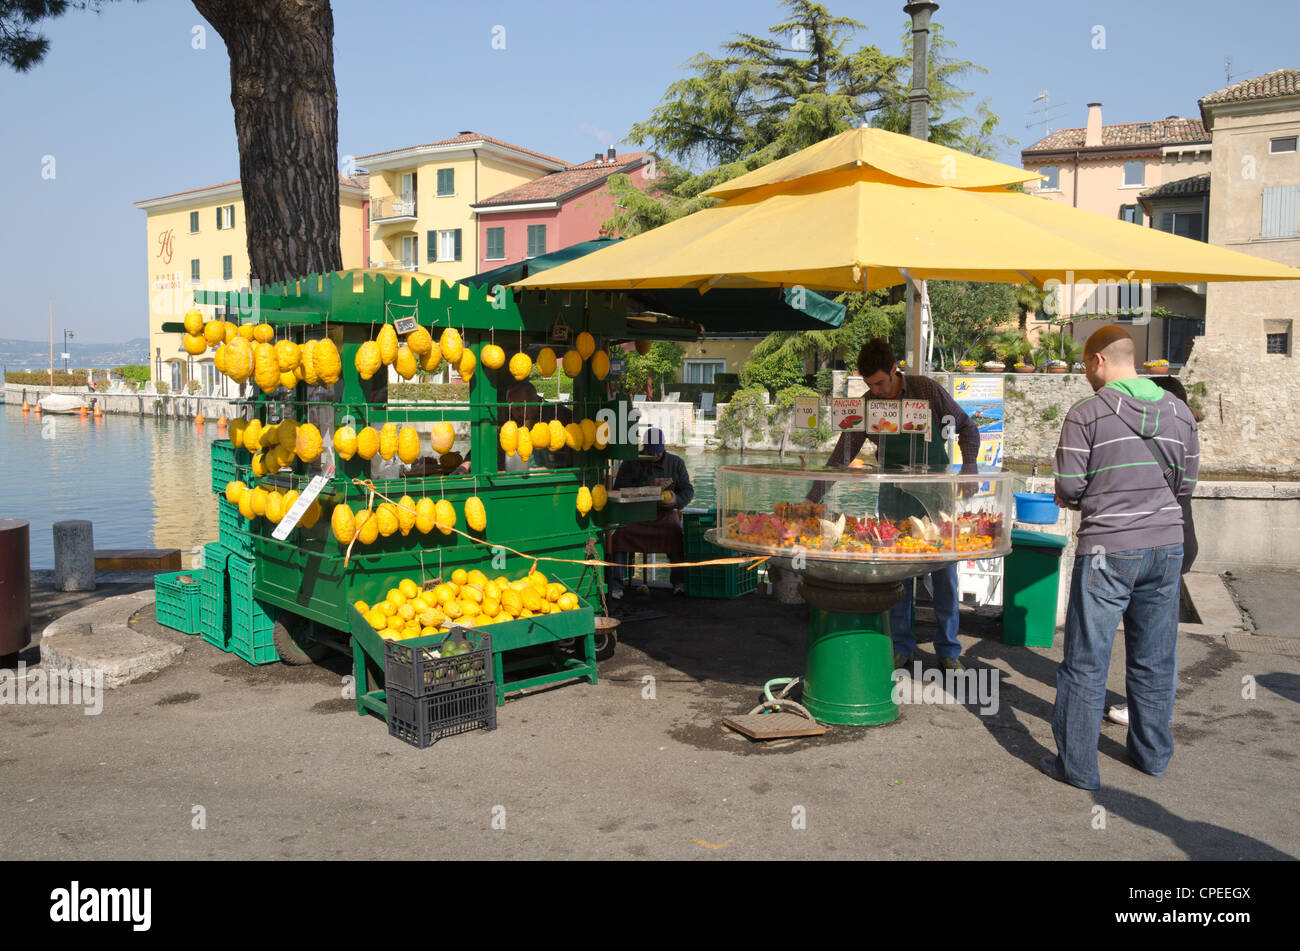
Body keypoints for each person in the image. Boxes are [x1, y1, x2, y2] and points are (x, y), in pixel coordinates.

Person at [1044, 326, 1199, 790]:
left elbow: (1069, 488)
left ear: (1097, 362)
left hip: (1108, 548)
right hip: (1167, 546)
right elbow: (1186, 486)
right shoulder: (1181, 412)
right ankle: (1152, 756)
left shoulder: (1086, 414)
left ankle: (1078, 769)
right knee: (1155, 657)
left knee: (1087, 661)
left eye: (1085, 366)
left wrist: (1106, 496)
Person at [813, 338, 982, 672]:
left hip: (935, 493)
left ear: (895, 369)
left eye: (880, 382)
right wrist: (812, 496)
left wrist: (970, 468)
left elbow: (967, 427)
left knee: (943, 572)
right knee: (896, 574)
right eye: (869, 385)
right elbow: (842, 455)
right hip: (891, 493)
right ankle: (901, 645)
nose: (876, 391)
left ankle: (949, 648)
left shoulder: (927, 390)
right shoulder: (865, 404)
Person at [1104, 373, 1204, 727]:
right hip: (1177, 540)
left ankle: (1143, 707)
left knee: (1152, 639)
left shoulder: (1156, 429)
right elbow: (1186, 487)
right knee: (1157, 637)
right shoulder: (1183, 430)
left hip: (1150, 541)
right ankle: (1151, 711)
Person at [607, 427, 695, 598]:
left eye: (658, 453)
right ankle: (617, 585)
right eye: (650, 453)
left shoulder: (676, 463)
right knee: (618, 537)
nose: (655, 456)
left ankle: (678, 582)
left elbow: (688, 490)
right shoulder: (631, 462)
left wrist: (676, 500)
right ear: (644, 449)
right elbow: (620, 489)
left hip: (664, 515)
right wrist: (649, 485)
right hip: (636, 515)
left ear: (663, 448)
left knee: (677, 535)